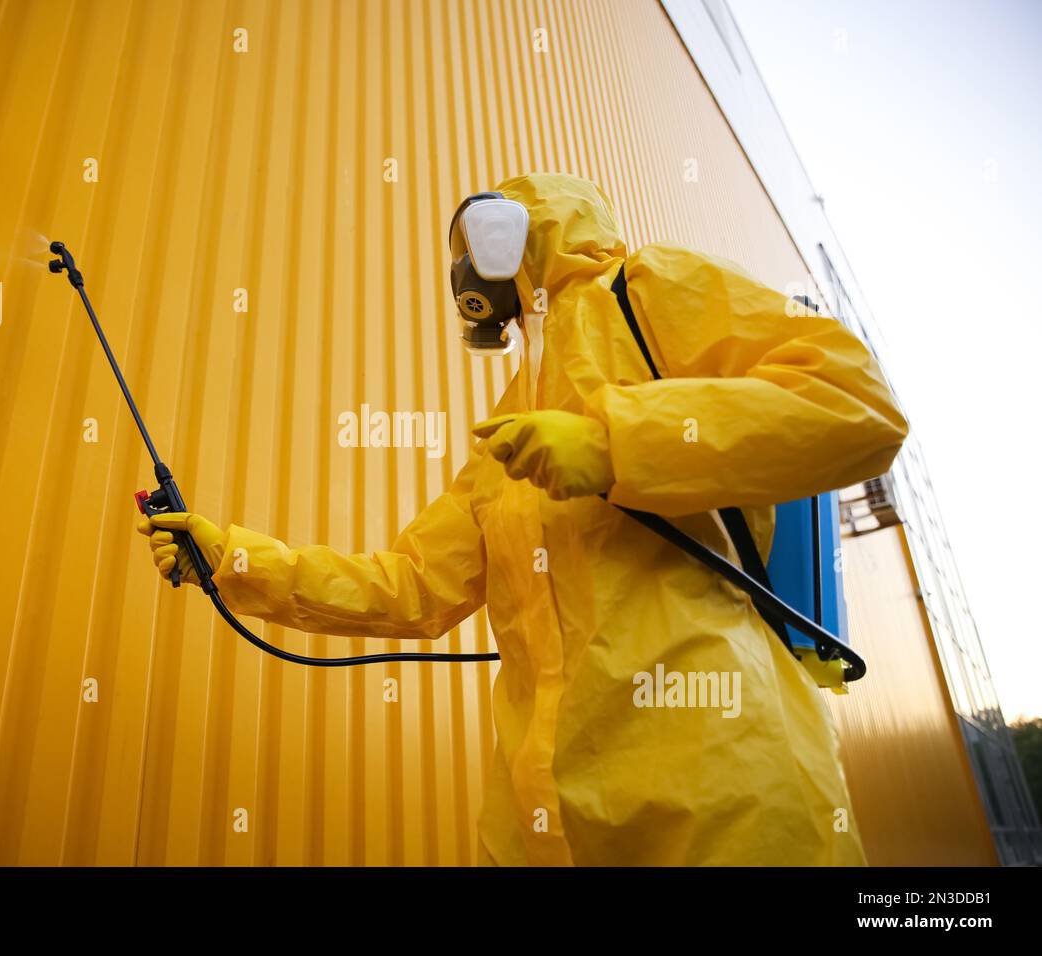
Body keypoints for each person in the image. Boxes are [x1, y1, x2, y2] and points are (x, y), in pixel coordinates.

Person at [137, 172, 908, 865]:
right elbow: (411, 588)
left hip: (718, 786)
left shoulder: (647, 292)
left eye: (467, 249)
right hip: (539, 816)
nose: (462, 274)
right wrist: (235, 561)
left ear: (506, 231)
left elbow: (854, 404)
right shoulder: (507, 439)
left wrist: (614, 444)